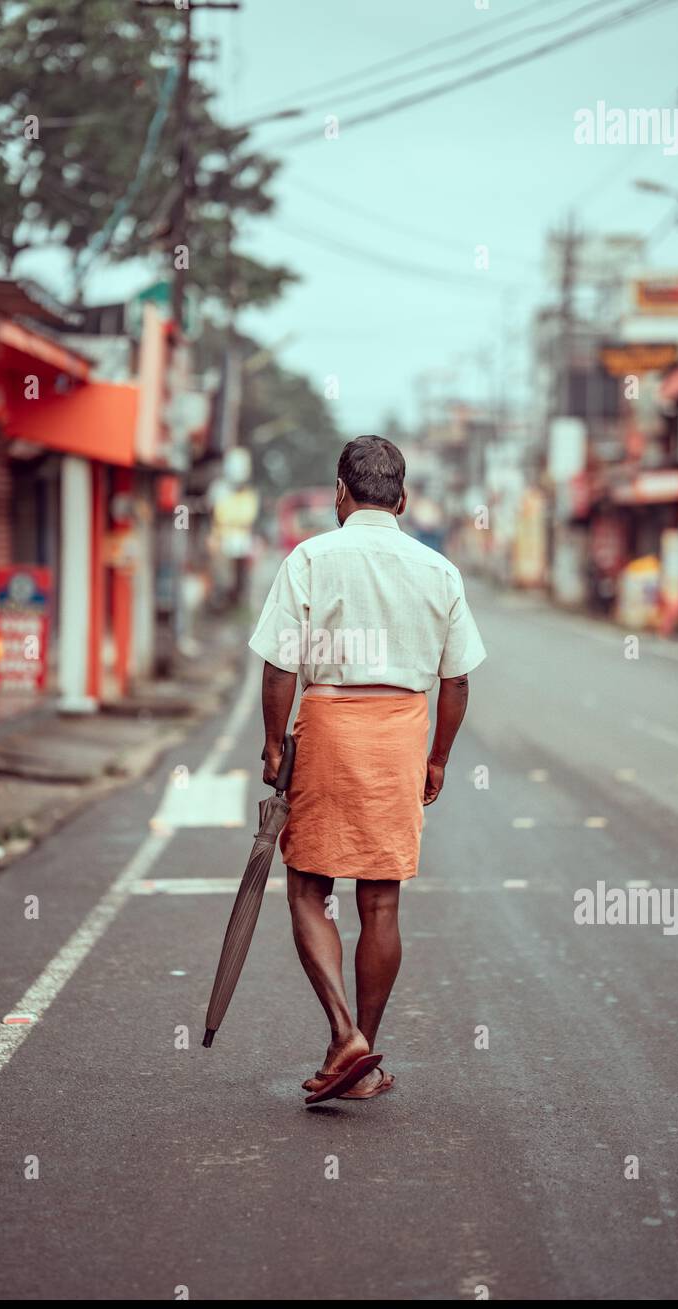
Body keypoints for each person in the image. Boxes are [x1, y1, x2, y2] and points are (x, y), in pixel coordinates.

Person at [248, 436, 486, 1104]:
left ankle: (345, 1036)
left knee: (307, 889)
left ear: (340, 493)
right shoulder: (438, 571)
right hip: (403, 732)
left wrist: (273, 744)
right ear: (403, 499)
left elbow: (279, 665)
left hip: (327, 725)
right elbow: (458, 680)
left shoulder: (312, 558)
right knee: (380, 899)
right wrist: (436, 758)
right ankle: (359, 1058)